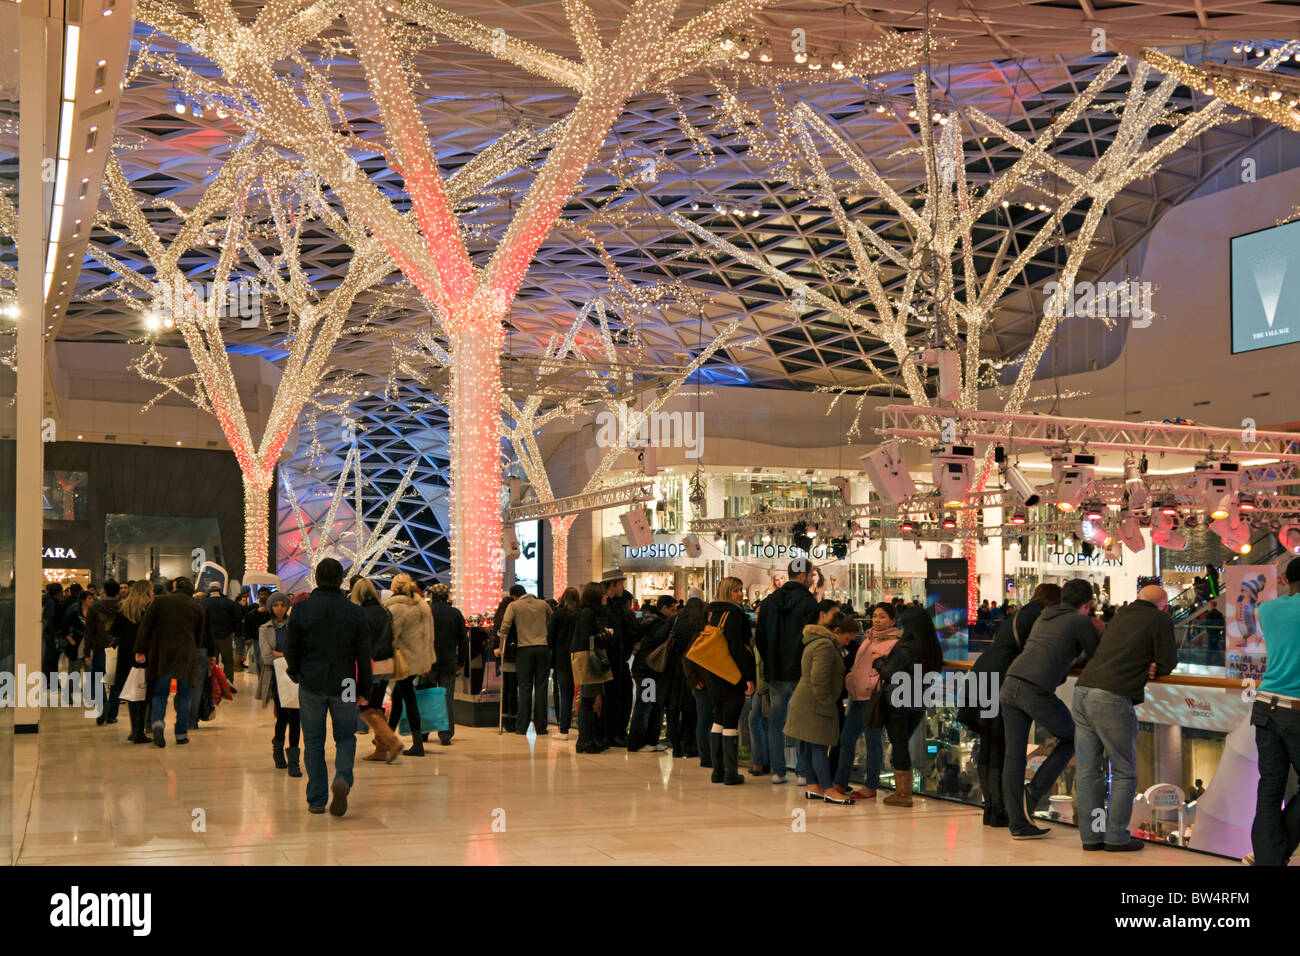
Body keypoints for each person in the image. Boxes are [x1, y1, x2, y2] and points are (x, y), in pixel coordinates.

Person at [1073, 583, 1177, 853]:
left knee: (1088, 771)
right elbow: (1167, 660)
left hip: (1083, 691)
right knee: (1123, 771)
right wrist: (1154, 664)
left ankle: (1092, 836)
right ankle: (1116, 836)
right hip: (1111, 696)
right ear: (1163, 605)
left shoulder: (1120, 615)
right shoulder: (1159, 619)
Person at [1000, 578, 1100, 838]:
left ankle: (1017, 821)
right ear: (1087, 604)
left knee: (1014, 755)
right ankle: (1032, 794)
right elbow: (1099, 655)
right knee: (1073, 737)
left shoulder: (1045, 615)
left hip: (1011, 683)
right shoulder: (1080, 621)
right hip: (1035, 690)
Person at [958, 583, 1060, 827]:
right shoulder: (1040, 617)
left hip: (984, 671)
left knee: (989, 744)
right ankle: (1001, 808)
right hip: (1001, 677)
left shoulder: (1022, 613)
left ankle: (992, 808)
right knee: (1000, 745)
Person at [286, 558, 372, 817]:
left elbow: (291, 646)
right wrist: (364, 688)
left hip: (311, 682)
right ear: (341, 580)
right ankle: (343, 778)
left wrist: (296, 673)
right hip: (345, 683)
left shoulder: (301, 609)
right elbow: (363, 655)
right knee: (346, 736)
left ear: (316, 577)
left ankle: (316, 799)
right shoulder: (355, 612)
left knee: (313, 741)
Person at [1249, 557, 1300, 866]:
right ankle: (1277, 852)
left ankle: (1268, 858)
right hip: (1296, 708)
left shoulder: (1266, 609)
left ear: (1286, 580)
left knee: (1270, 785)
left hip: (1265, 702)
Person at [755, 559, 820, 785]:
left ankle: (778, 771)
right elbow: (813, 638)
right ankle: (802, 772)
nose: (813, 579)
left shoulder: (770, 602)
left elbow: (760, 639)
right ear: (802, 576)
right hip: (801, 669)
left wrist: (769, 661)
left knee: (776, 720)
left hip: (776, 669)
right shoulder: (809, 603)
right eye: (811, 575)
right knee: (801, 719)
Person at [828, 602, 900, 802]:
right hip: (857, 696)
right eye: (875, 615)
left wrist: (872, 683)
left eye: (882, 616)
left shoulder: (894, 641)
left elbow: (888, 669)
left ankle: (871, 785)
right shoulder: (868, 638)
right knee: (846, 739)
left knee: (872, 742)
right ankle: (840, 782)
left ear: (892, 620)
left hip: (873, 698)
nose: (877, 620)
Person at [875, 607, 944, 807]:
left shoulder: (906, 648)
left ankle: (903, 793)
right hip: (920, 700)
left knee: (899, 744)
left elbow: (889, 673)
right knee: (903, 742)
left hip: (898, 699)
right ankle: (904, 791)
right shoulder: (932, 647)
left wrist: (879, 663)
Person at [784, 610, 853, 804]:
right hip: (815, 701)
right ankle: (828, 789)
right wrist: (826, 700)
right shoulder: (825, 646)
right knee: (818, 745)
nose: (848, 643)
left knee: (807, 743)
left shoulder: (815, 641)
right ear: (837, 630)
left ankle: (813, 785)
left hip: (806, 699)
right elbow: (819, 678)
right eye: (847, 638)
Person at [698, 578, 756, 783]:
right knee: (731, 720)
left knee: (719, 717)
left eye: (741, 590)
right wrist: (747, 677)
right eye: (736, 591)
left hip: (713, 673)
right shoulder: (734, 615)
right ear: (726, 593)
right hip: (730, 674)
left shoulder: (713, 613)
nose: (741, 594)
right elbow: (737, 649)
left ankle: (718, 771)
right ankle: (731, 773)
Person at [136, 575, 205, 747]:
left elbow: (146, 627)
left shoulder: (160, 602)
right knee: (184, 695)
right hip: (186, 653)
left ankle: (158, 723)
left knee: (160, 693)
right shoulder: (197, 606)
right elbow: (199, 636)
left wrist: (140, 649)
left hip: (162, 653)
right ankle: (181, 733)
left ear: (174, 587)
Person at [351, 578, 404, 762]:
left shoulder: (359, 614)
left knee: (365, 709)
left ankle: (392, 741)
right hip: (387, 663)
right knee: (376, 707)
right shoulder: (385, 611)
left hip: (370, 664)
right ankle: (381, 749)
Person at [384, 573, 436, 757]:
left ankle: (416, 743)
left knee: (408, 698)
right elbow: (430, 634)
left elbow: (392, 636)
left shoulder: (397, 607)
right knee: (399, 696)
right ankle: (386, 737)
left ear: (395, 588)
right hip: (420, 658)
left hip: (404, 660)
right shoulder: (422, 605)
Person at [255, 593, 303, 776]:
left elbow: (301, 651)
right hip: (276, 677)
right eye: (276, 605)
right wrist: (287, 655)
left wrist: (280, 653)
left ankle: (294, 760)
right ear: (270, 607)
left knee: (296, 718)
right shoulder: (264, 628)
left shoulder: (295, 626)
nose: (280, 608)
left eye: (283, 605)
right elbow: (266, 657)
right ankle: (278, 748)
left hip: (295, 677)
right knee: (283, 717)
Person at [498, 584, 552, 736]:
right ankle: (541, 727)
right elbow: (552, 620)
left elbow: (505, 627)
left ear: (514, 596)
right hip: (543, 649)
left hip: (524, 650)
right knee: (541, 687)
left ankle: (522, 727)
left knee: (525, 688)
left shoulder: (514, 606)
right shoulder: (543, 604)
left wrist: (501, 648)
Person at [628, 595, 677, 752]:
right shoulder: (660, 624)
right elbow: (656, 641)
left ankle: (650, 741)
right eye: (672, 609)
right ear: (664, 608)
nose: (675, 613)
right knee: (646, 704)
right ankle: (638, 742)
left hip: (646, 669)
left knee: (651, 704)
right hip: (648, 671)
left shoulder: (649, 620)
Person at [112, 580, 154, 742]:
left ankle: (134, 729)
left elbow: (114, 630)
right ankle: (140, 730)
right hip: (145, 653)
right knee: (144, 690)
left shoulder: (123, 607)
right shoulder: (150, 608)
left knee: (132, 691)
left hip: (126, 655)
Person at [665, 597, 706, 759]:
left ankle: (676, 747)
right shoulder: (701, 626)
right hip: (694, 671)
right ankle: (690, 745)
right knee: (692, 711)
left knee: (674, 709)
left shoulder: (677, 622)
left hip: (676, 671)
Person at [600, 570, 636, 747]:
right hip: (610, 659)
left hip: (619, 658)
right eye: (621, 583)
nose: (623, 586)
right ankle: (611, 733)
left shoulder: (617, 606)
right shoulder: (605, 607)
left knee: (623, 693)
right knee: (613, 696)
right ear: (613, 584)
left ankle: (618, 731)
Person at [428, 583, 467, 747]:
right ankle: (445, 734)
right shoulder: (455, 613)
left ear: (432, 596)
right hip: (449, 662)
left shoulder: (427, 612)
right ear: (446, 597)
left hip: (429, 662)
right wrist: (461, 662)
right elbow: (463, 641)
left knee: (428, 698)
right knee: (446, 699)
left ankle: (423, 733)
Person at [574, 582, 609, 754]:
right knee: (587, 701)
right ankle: (585, 741)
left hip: (585, 659)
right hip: (587, 660)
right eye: (603, 594)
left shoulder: (587, 612)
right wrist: (606, 634)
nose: (606, 596)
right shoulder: (588, 613)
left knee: (588, 701)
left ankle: (585, 740)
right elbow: (589, 638)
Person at [85, 580, 121, 724]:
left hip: (100, 648)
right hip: (118, 648)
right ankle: (112, 715)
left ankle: (102, 705)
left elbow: (89, 632)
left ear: (103, 590)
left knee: (97, 679)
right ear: (117, 592)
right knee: (116, 682)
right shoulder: (122, 607)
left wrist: (87, 652)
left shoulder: (94, 608)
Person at [547, 587, 580, 740]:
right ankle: (584, 727)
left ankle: (564, 730)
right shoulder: (581, 614)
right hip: (580, 658)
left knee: (565, 695)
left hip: (562, 659)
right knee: (582, 694)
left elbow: (550, 637)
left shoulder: (558, 614)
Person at [201, 582, 242, 691]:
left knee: (212, 662)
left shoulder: (204, 603)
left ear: (210, 590)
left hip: (210, 638)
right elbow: (237, 617)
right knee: (228, 661)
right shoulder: (228, 602)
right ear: (220, 589)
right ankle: (228, 685)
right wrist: (234, 631)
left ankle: (212, 686)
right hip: (225, 636)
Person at [41, 582, 66, 687]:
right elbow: (51, 620)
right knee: (51, 658)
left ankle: (51, 681)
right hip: (52, 634)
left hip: (49, 634)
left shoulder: (48, 601)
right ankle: (49, 681)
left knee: (50, 658)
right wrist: (56, 634)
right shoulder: (53, 603)